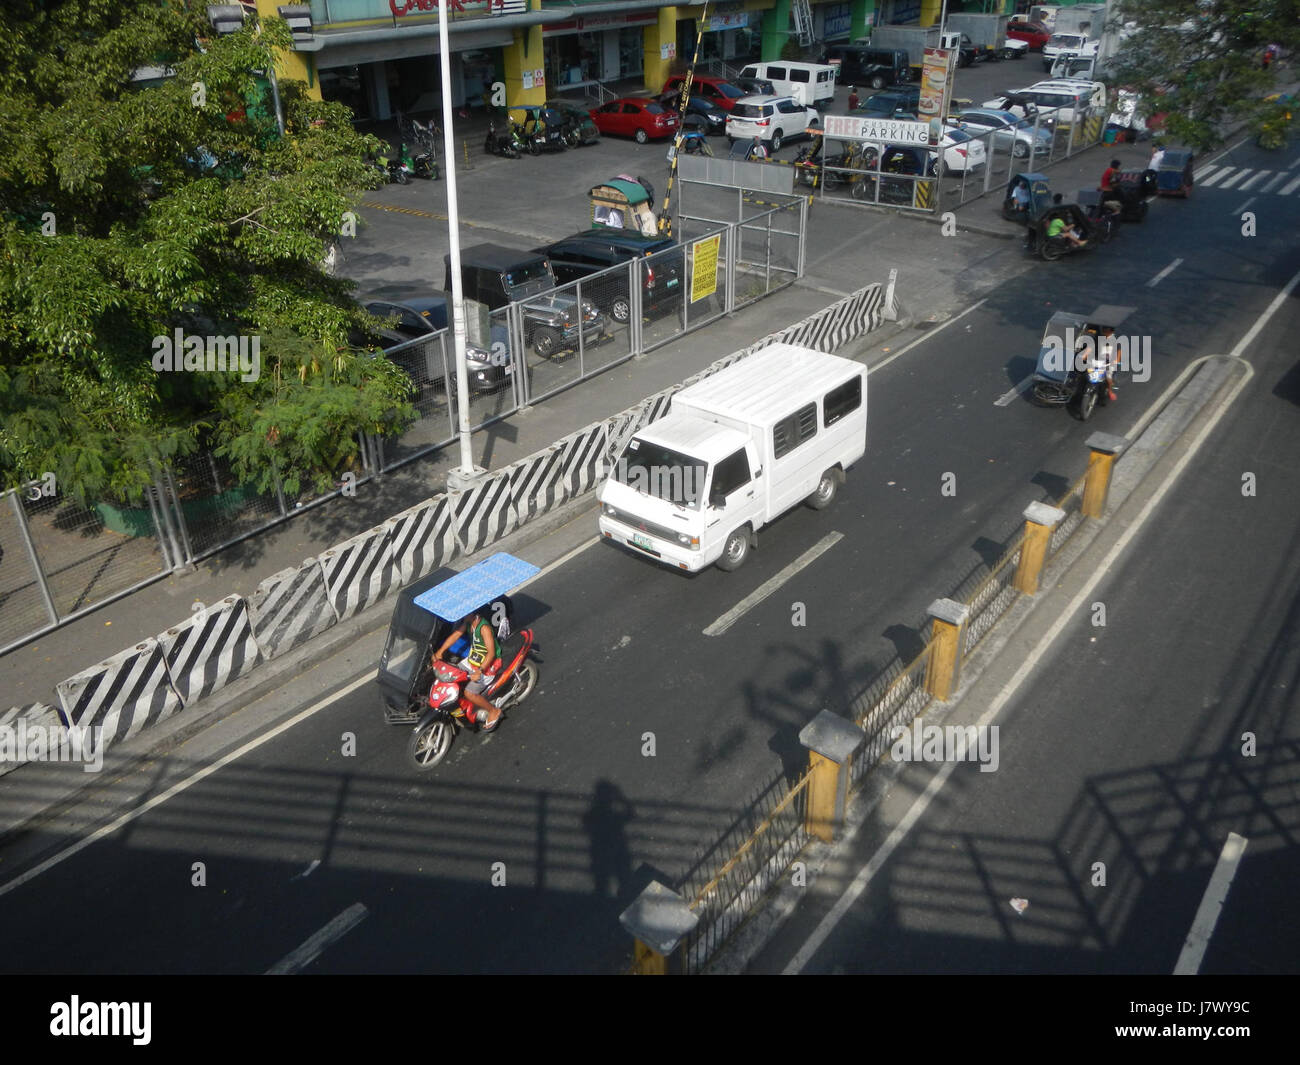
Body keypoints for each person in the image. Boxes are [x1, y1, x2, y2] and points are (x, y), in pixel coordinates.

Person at [433, 611, 503, 731]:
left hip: (488, 665)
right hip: (473, 659)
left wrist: (480, 671)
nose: (463, 615)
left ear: (474, 612)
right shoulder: (468, 622)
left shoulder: (484, 628)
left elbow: (491, 653)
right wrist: (441, 651)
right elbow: (456, 635)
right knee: (451, 675)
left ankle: (493, 711)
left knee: (469, 693)